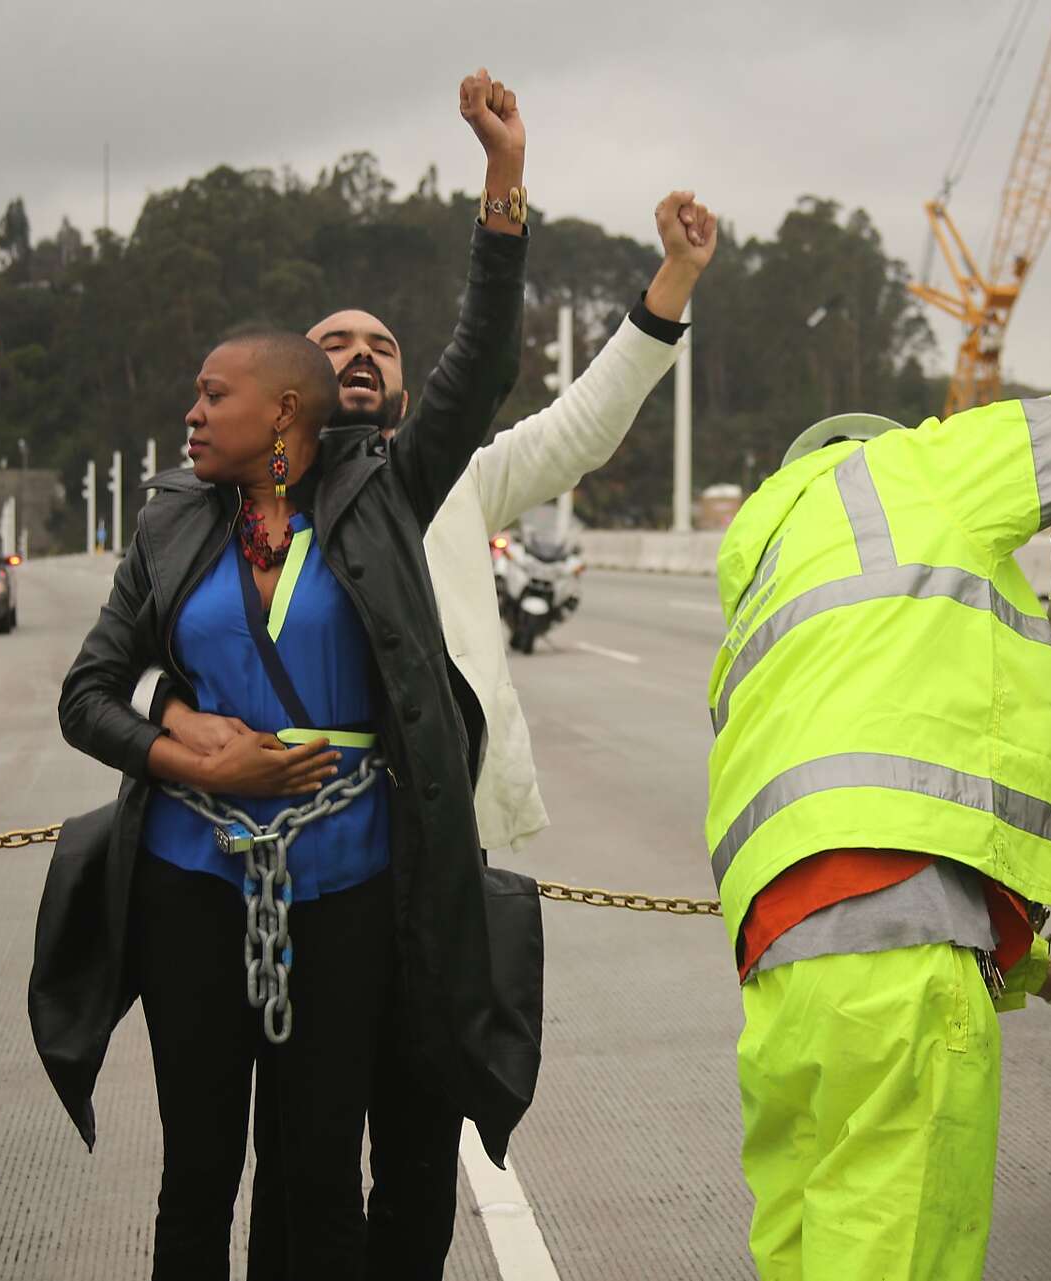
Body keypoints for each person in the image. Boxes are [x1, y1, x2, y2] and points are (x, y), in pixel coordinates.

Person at [150, 189, 721, 1276]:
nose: (359, 354)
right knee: (299, 1166)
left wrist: (675, 281)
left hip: (433, 875)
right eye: (333, 344)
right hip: (292, 878)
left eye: (382, 346)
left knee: (418, 1161)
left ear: (412, 389)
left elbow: (587, 417)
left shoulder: (456, 474)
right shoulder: (231, 511)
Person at [38, 69, 533, 1279]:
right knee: (198, 1171)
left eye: (216, 394)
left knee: (315, 1171)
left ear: (287, 412)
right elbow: (86, 692)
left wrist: (503, 184)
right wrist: (184, 743)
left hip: (353, 889)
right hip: (185, 888)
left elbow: (474, 371)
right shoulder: (169, 521)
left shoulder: (381, 495)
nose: (192, 412)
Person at [704, 389, 1051, 1279]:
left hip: (787, 989)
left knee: (812, 1253)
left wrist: (1046, 973)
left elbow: (874, 844)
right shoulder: (920, 470)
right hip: (899, 973)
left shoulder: (761, 598)